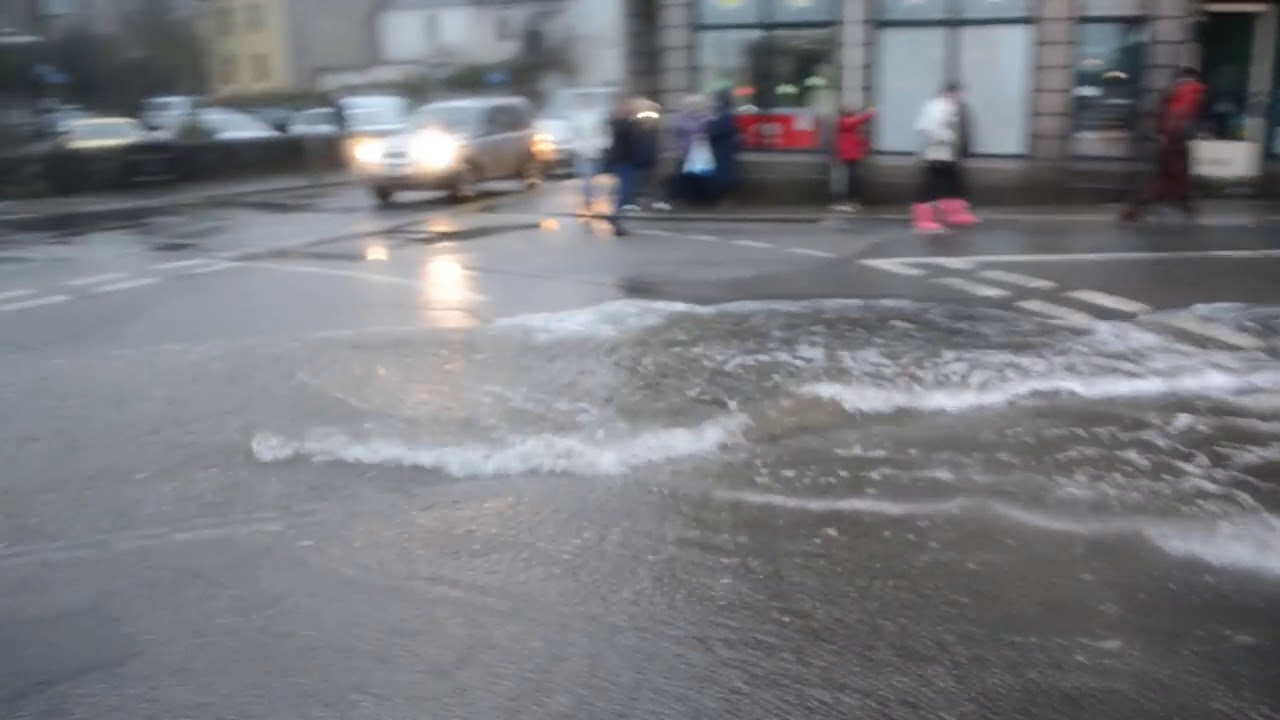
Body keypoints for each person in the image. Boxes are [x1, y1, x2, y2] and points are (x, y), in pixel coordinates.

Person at [1120, 67, 1207, 222]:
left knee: (1173, 177)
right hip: (1175, 142)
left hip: (1170, 141)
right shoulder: (1191, 92)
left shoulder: (1176, 93)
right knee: (1167, 178)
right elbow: (1180, 117)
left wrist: (1162, 134)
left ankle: (1184, 205)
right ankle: (1136, 208)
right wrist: (1174, 135)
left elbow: (1165, 115)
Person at [912, 82, 977, 234]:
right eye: (957, 93)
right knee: (932, 184)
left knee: (952, 182)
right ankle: (924, 218)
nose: (960, 97)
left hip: (948, 152)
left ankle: (953, 213)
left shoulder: (949, 106)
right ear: (949, 93)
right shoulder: (938, 106)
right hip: (938, 152)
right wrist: (946, 137)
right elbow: (925, 126)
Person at [604, 96, 642, 236]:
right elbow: (626, 136)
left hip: (627, 160)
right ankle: (615, 216)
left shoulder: (624, 122)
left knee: (623, 190)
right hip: (623, 161)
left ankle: (616, 218)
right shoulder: (620, 123)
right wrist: (632, 121)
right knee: (625, 191)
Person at [669, 94, 715, 205]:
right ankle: (687, 198)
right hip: (686, 152)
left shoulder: (702, 118)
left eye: (696, 105)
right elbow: (689, 128)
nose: (694, 108)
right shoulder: (681, 118)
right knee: (687, 177)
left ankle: (700, 199)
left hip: (699, 153)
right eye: (691, 105)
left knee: (700, 177)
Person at [569, 92, 610, 214]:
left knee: (593, 176)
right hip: (582, 151)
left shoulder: (596, 115)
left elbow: (601, 131)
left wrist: (602, 145)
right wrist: (575, 148)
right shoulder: (575, 117)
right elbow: (574, 134)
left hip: (593, 149)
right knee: (586, 176)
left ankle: (593, 197)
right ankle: (588, 199)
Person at [830, 104, 876, 212]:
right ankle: (846, 201)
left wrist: (864, 146)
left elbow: (857, 136)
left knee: (853, 179)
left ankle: (852, 200)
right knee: (849, 179)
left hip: (852, 154)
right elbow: (857, 121)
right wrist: (870, 113)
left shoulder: (848, 124)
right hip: (847, 155)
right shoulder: (843, 122)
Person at [707, 88, 740, 203]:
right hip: (723, 148)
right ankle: (724, 196)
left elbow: (719, 129)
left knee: (724, 173)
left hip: (723, 148)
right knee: (724, 172)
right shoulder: (725, 112)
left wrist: (710, 128)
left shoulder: (723, 113)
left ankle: (724, 197)